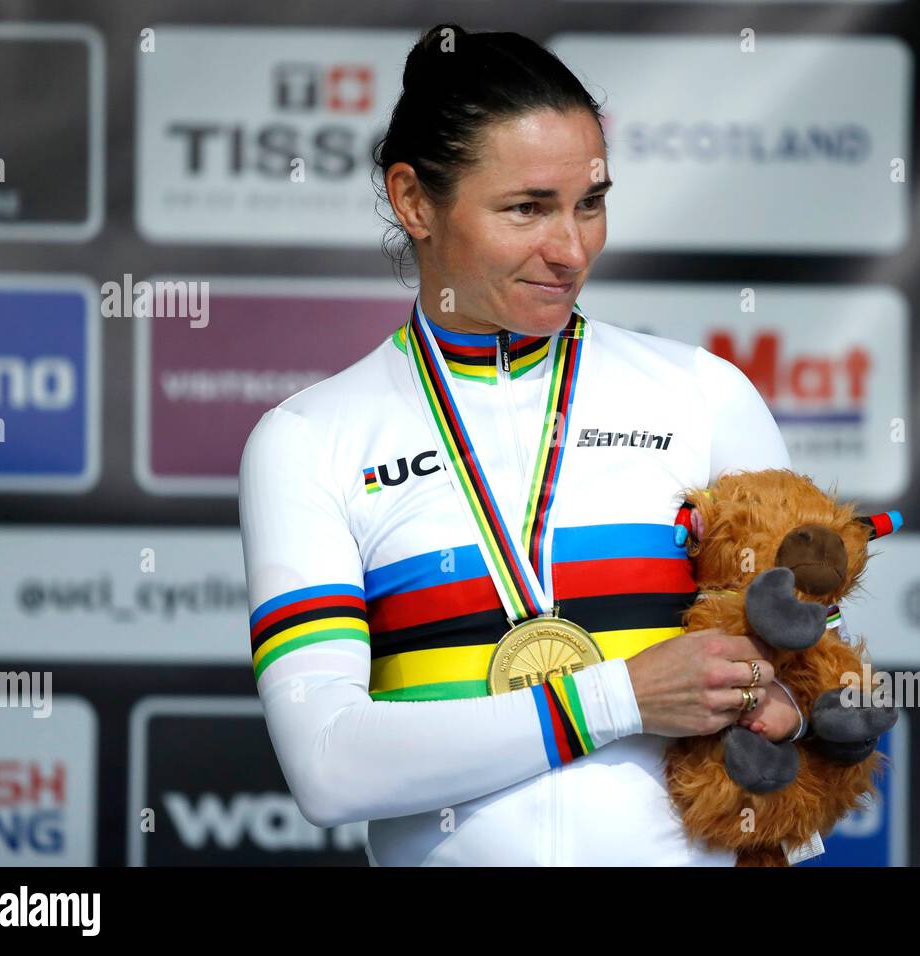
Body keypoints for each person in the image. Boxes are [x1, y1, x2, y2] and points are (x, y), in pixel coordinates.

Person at [237, 23, 852, 865]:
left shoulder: (704, 397)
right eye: (528, 208)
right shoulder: (310, 441)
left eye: (590, 203)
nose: (570, 250)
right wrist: (617, 698)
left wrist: (788, 712)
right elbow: (329, 766)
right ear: (415, 201)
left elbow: (796, 719)